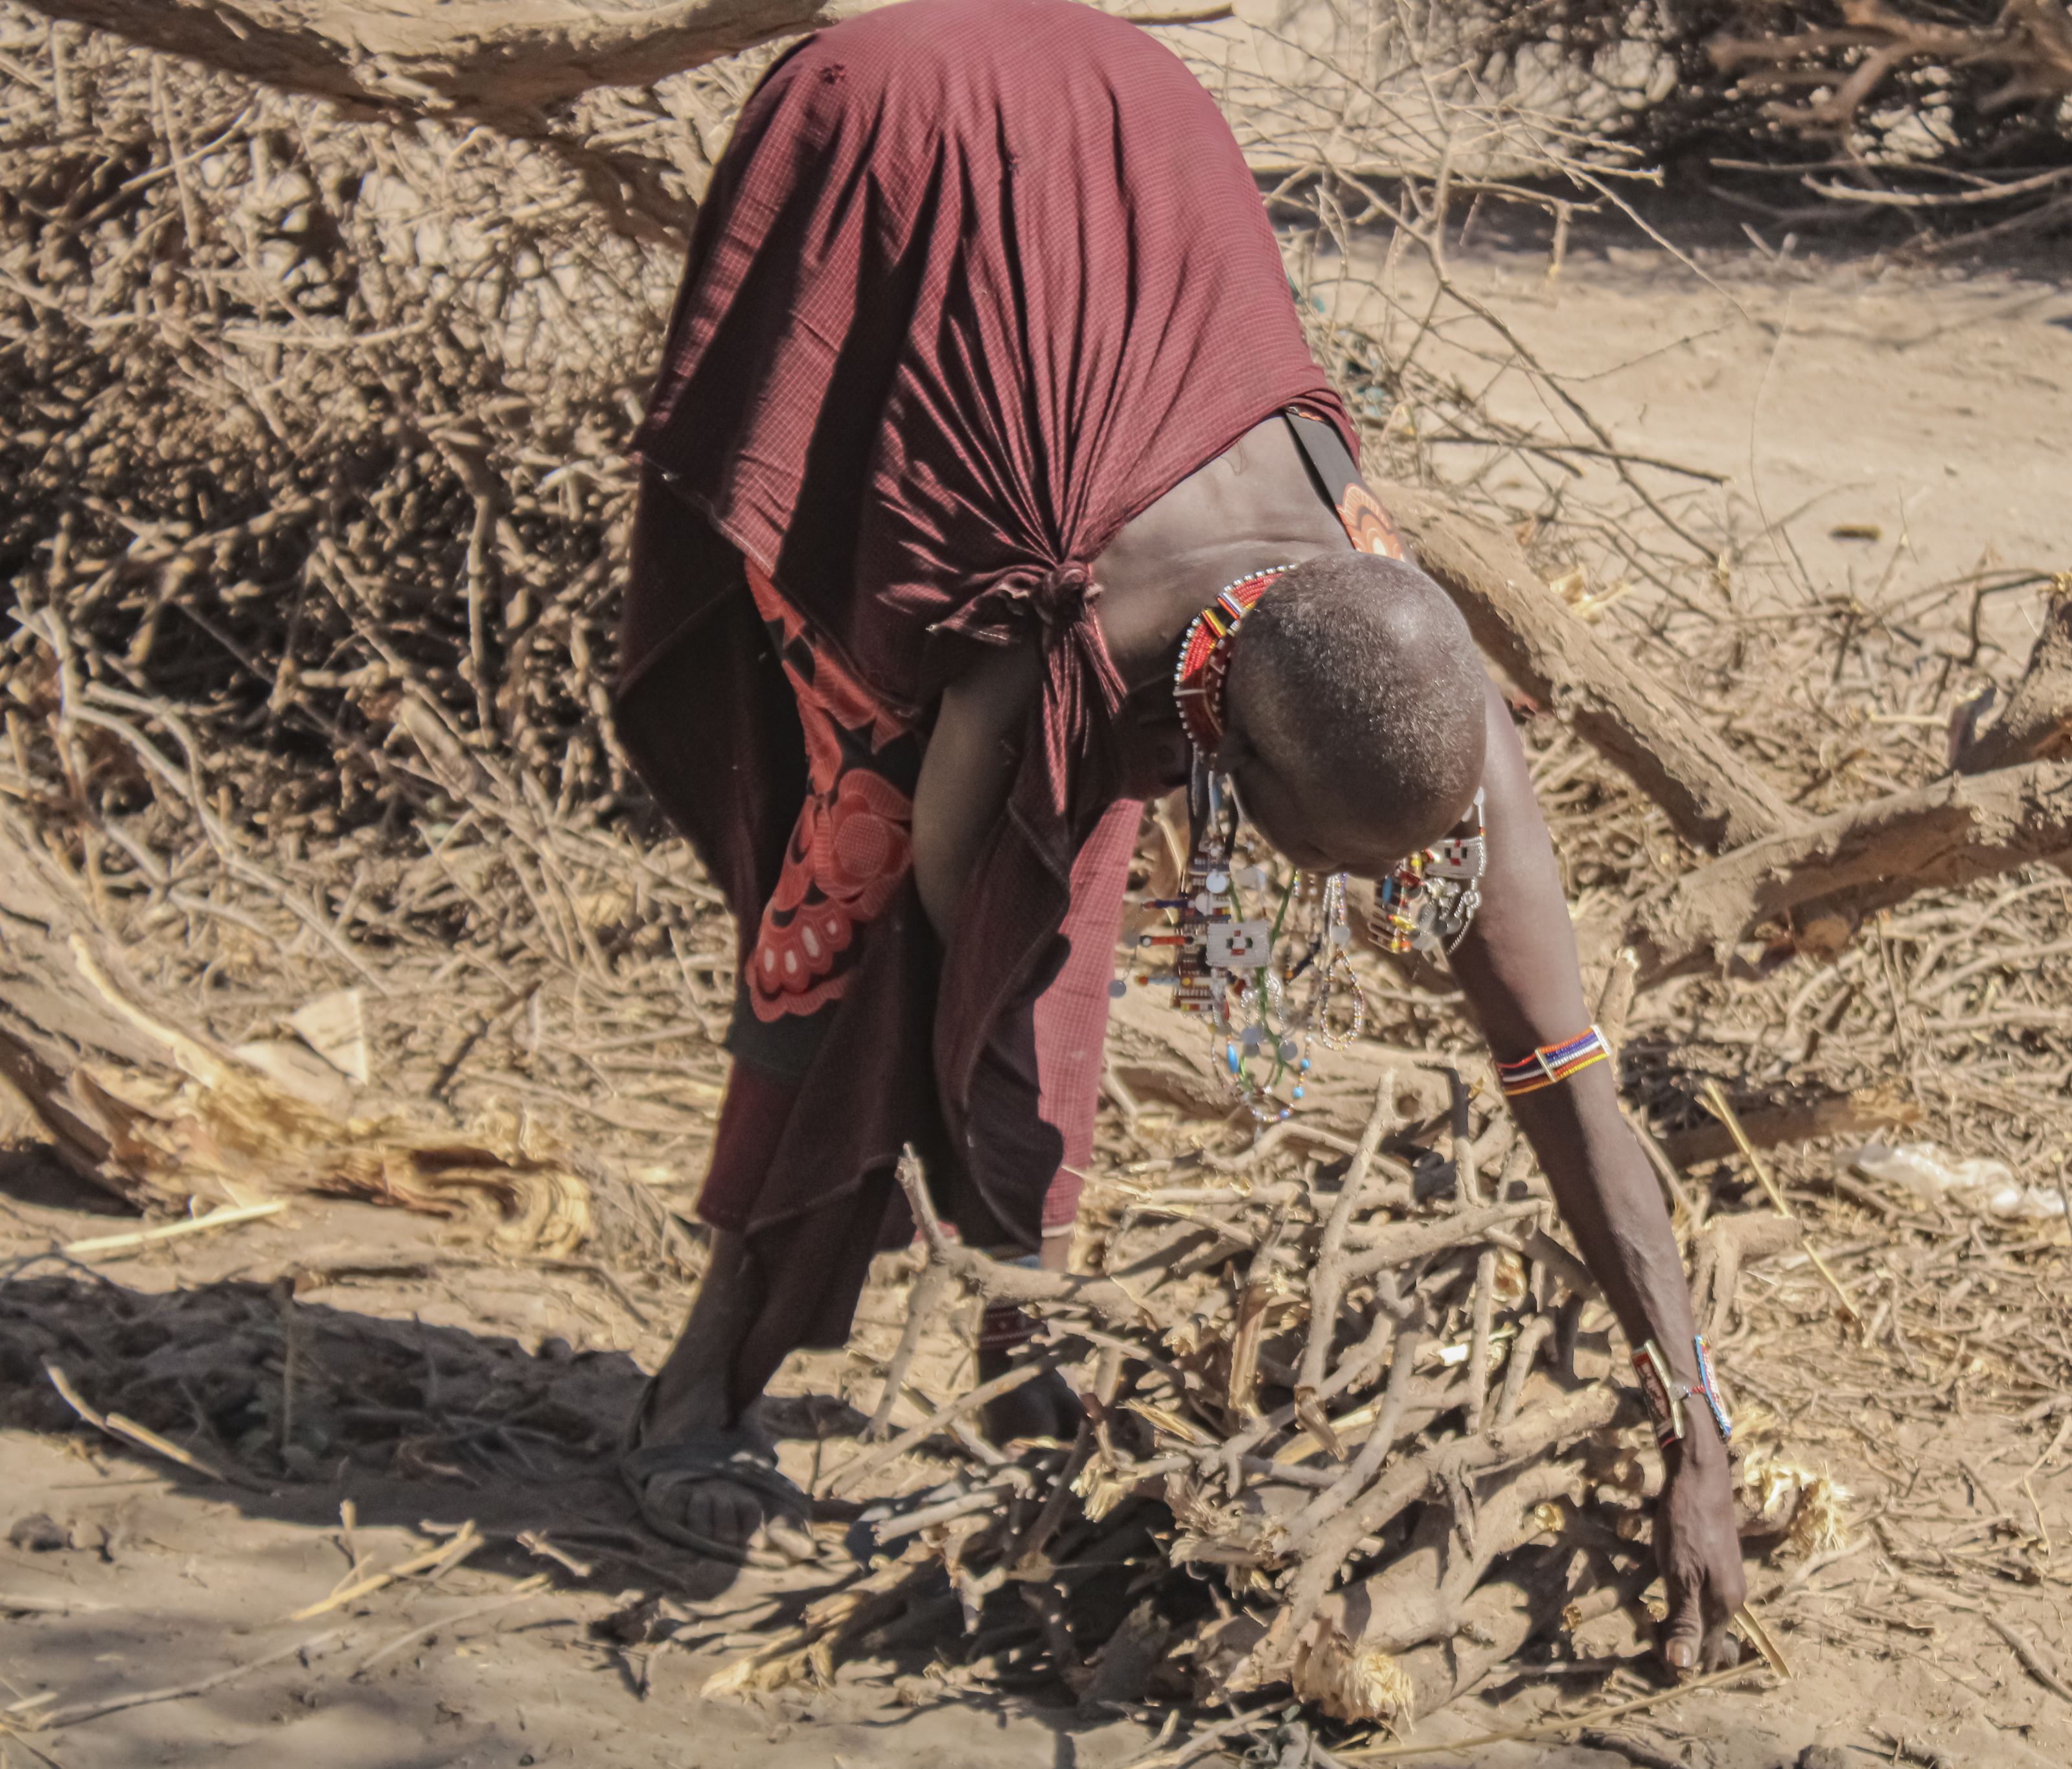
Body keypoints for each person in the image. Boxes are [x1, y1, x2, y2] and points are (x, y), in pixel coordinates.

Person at [612, 0, 1747, 1673]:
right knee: (855, 871)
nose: (1381, 902)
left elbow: (1565, 1067)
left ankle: (1020, 1342)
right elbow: (951, 906)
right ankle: (704, 1374)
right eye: (1334, 866)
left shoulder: (1410, 670)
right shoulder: (1041, 643)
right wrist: (949, 1114)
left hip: (1127, 127)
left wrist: (1698, 1429)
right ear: (1223, 759)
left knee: (1034, 926)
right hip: (892, 155)